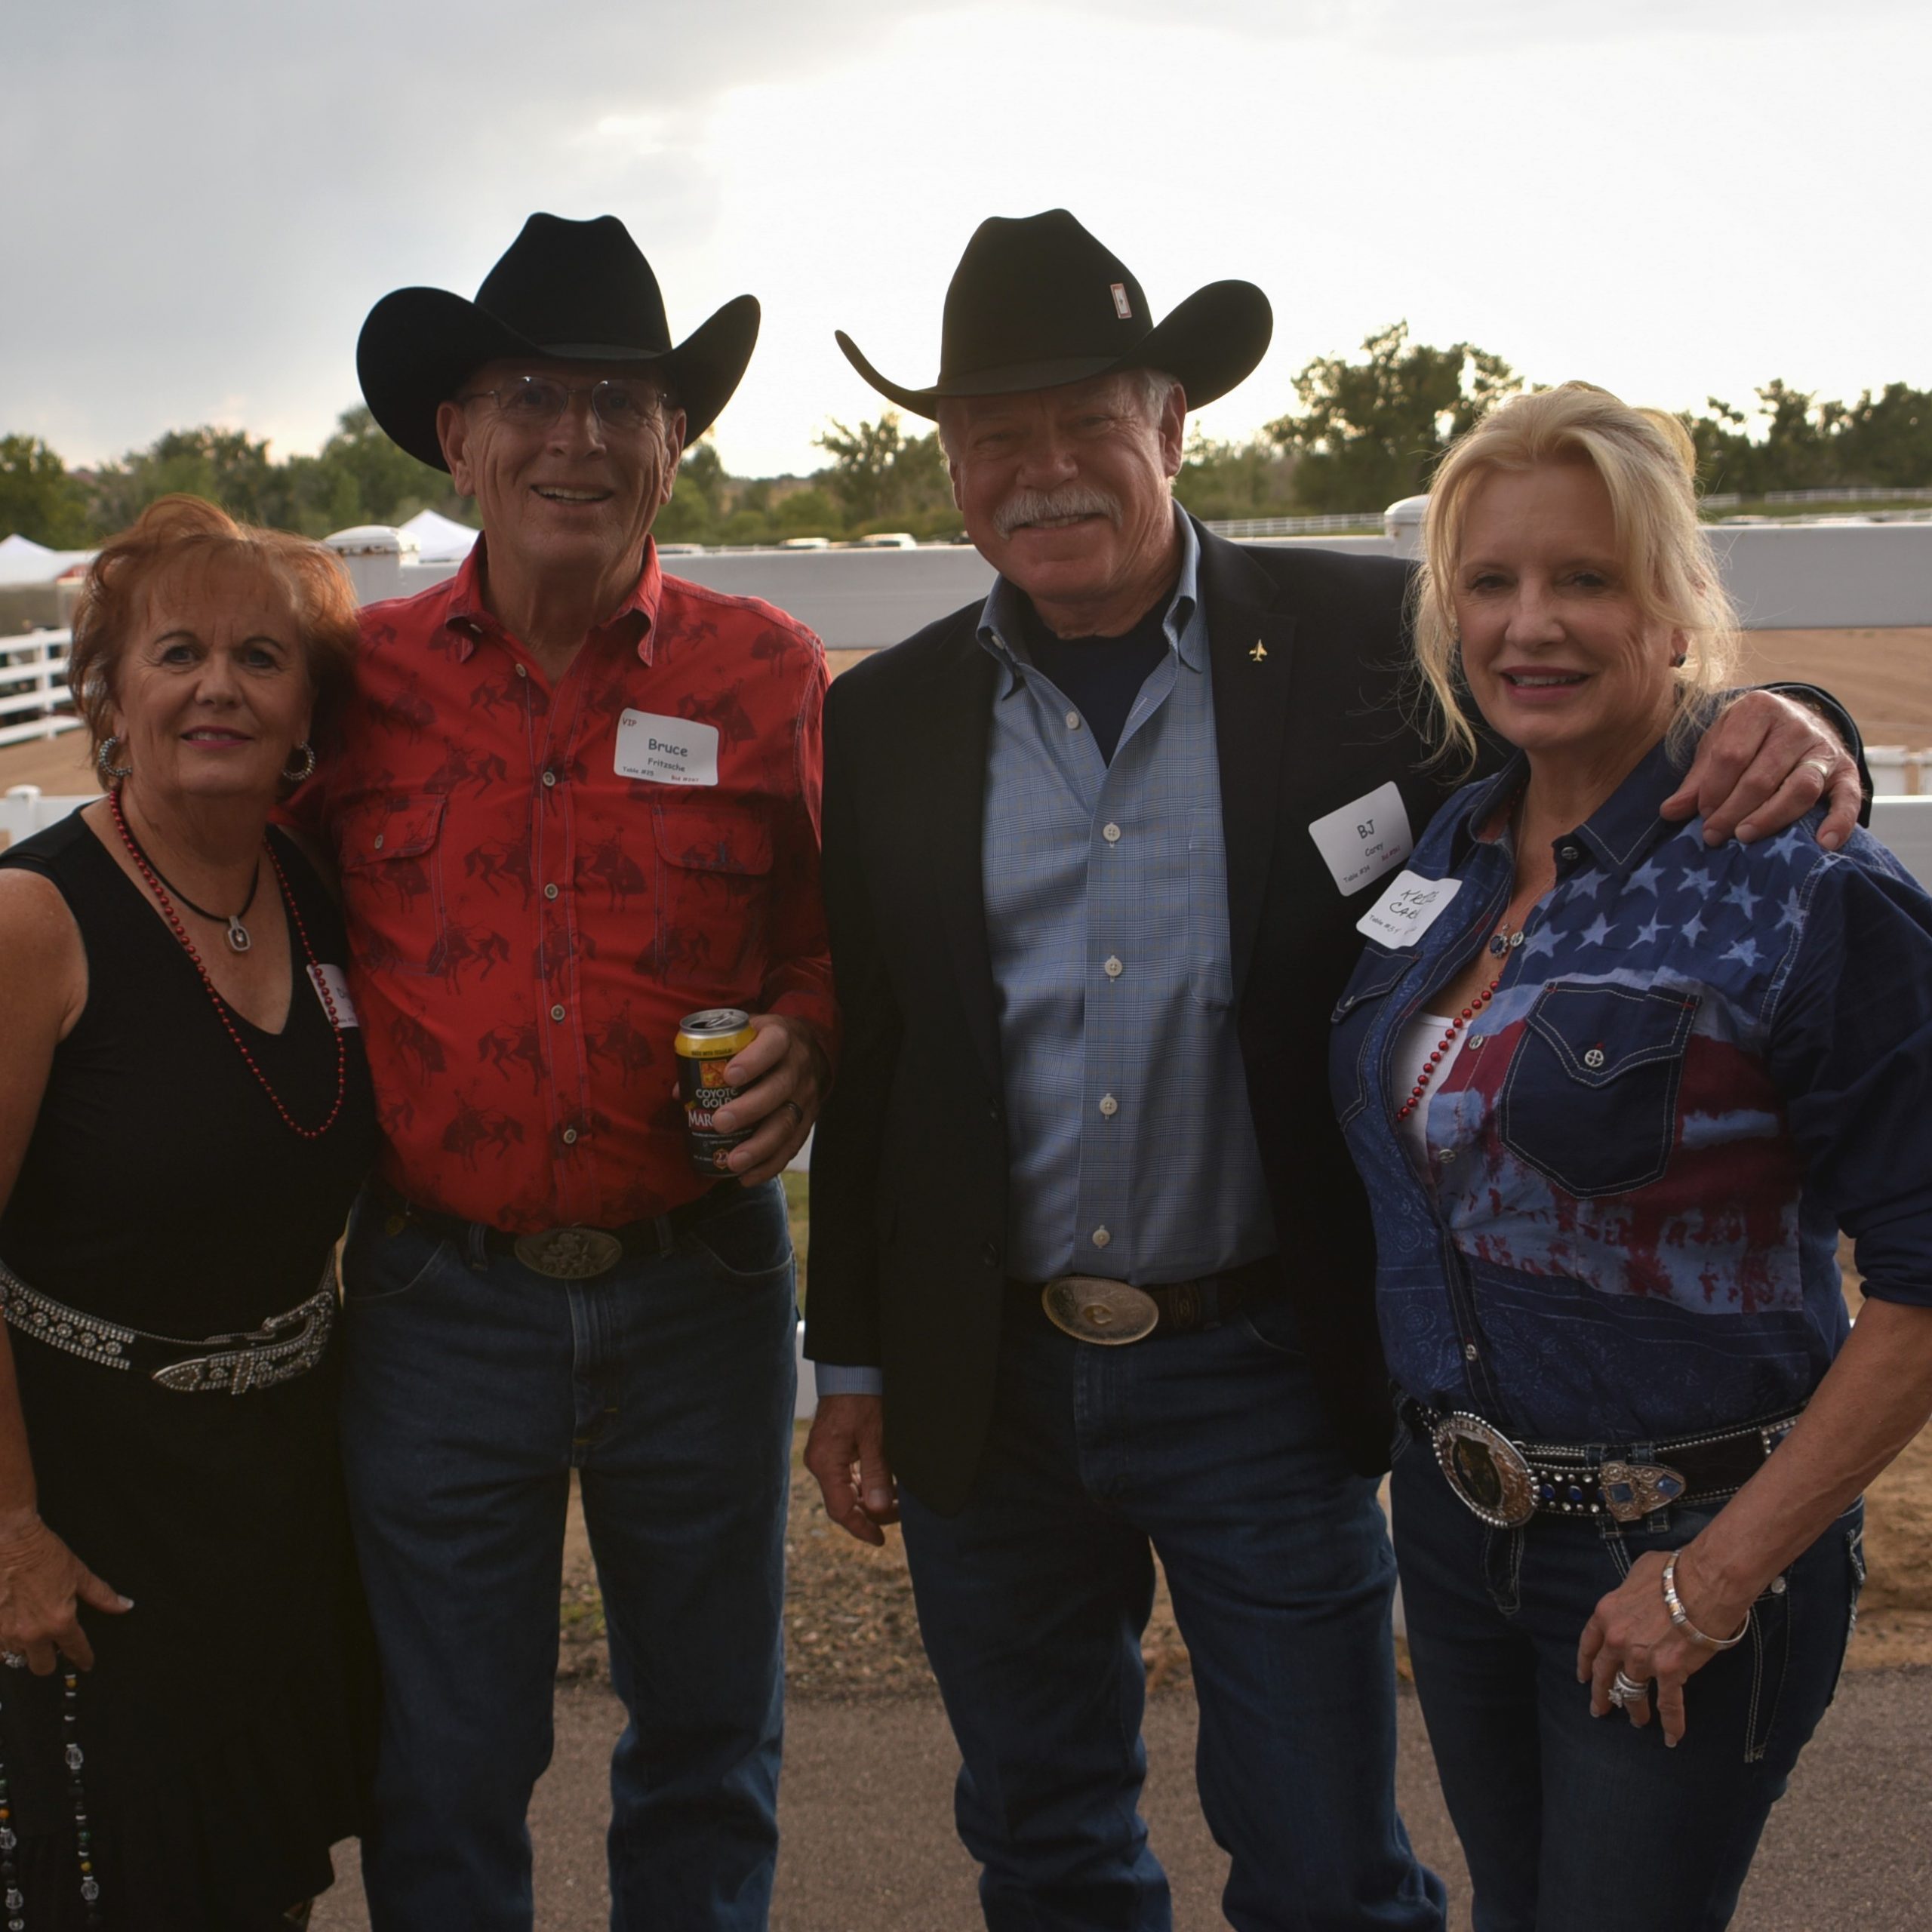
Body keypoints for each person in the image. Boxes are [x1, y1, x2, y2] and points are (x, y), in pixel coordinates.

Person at [801, 210, 1865, 1932]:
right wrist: (847, 1350)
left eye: (1089, 422)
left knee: (1318, 1859)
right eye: (996, 435)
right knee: (1042, 1838)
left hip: (1259, 1362)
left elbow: (1598, 705)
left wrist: (1792, 712)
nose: (1045, 468)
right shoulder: (889, 713)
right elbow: (883, 1051)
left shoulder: (1379, 643)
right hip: (980, 1380)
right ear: (946, 462)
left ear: (1171, 425)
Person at [1328, 381, 1932, 1931]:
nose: (1529, 622)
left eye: (1583, 578)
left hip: (1681, 1548)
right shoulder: (1446, 849)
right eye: (1490, 581)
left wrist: (1715, 1572)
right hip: (1462, 1540)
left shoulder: (1792, 889)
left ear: (1673, 613)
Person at [295, 212, 834, 1931]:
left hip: (701, 1286)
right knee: (445, 1759)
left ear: (677, 442)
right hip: (438, 1297)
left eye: (625, 401)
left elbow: (835, 937)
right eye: (534, 394)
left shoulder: (765, 670)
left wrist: (808, 1033)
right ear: (456, 436)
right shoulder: (352, 681)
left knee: (705, 1738)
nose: (578, 437)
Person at [0, 496, 377, 1930]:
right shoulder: (36, 922)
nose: (217, 685)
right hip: (91, 1498)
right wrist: (9, 1528)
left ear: (306, 719)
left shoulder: (317, 894)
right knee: (105, 1882)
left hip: (278, 1494)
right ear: (111, 694)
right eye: (175, 652)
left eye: (260, 658)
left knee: (252, 1876)